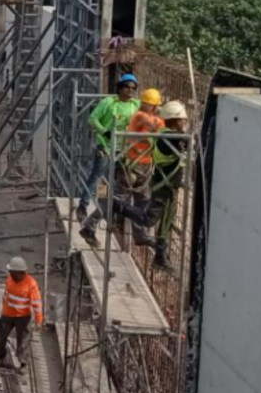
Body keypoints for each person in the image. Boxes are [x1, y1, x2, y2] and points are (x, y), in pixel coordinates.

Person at [78, 74, 140, 221]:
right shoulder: (108, 102)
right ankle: (83, 205)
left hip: (124, 149)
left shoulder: (135, 105)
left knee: (124, 180)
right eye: (127, 87)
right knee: (97, 176)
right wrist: (105, 132)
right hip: (106, 146)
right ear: (120, 87)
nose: (130, 90)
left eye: (133, 88)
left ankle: (115, 213)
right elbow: (92, 119)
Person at [142, 101, 190, 270]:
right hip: (164, 186)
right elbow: (188, 140)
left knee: (166, 221)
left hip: (167, 186)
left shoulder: (164, 134)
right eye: (183, 120)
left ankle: (161, 256)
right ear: (176, 120)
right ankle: (119, 207)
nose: (185, 123)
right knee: (149, 219)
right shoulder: (169, 138)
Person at [0, 256, 43, 370]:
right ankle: (2, 357)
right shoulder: (9, 280)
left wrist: (39, 319)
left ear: (18, 272)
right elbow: (6, 294)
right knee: (0, 339)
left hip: (23, 317)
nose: (9, 272)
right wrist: (4, 307)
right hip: (7, 315)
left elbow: (37, 302)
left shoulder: (31, 284)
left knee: (23, 341)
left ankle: (23, 364)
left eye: (11, 271)